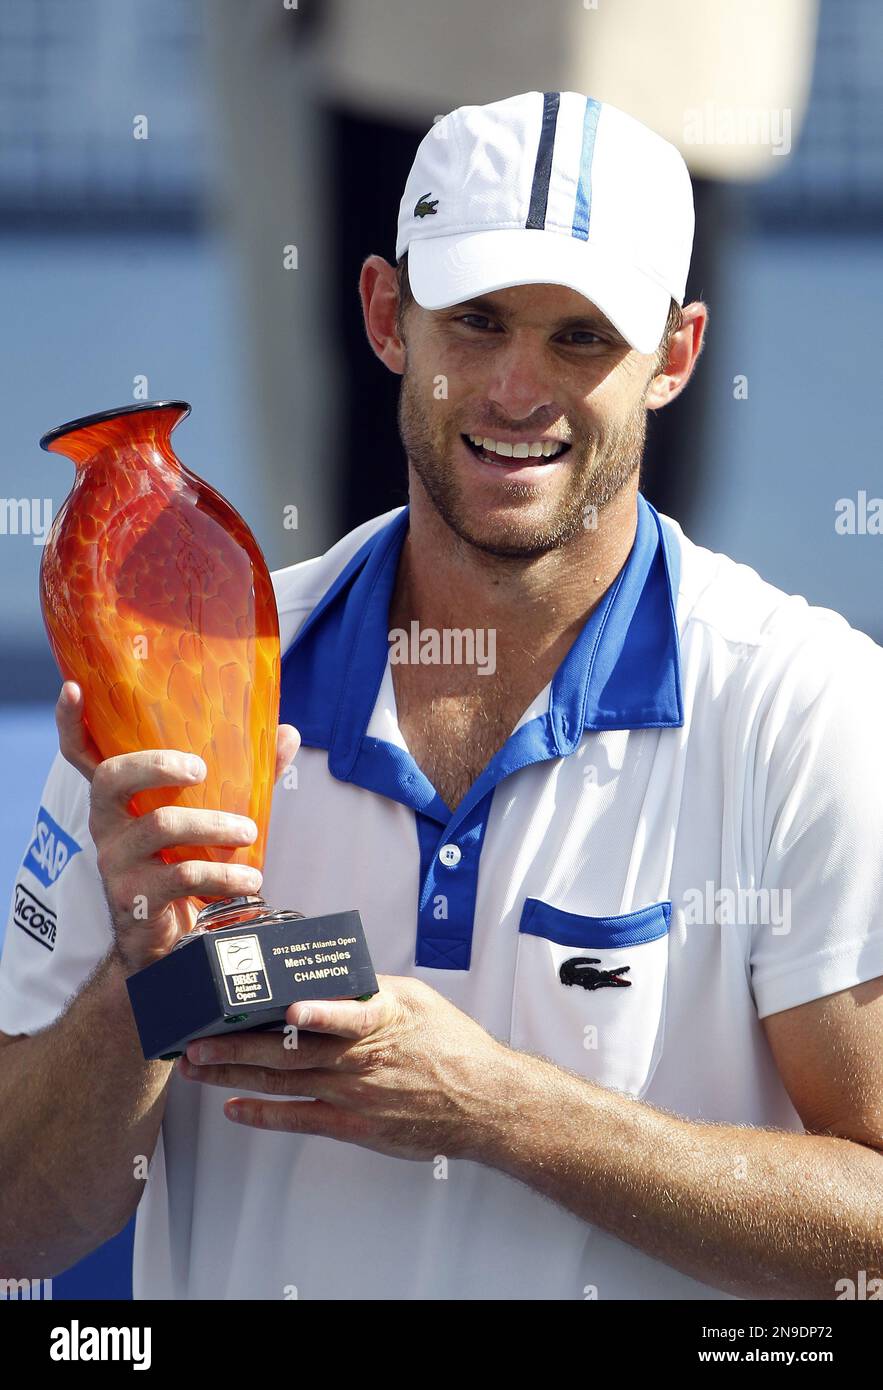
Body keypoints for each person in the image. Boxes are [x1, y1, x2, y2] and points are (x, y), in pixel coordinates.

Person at [1, 91, 881, 1301]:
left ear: (675, 358)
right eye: (474, 320)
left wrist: (497, 1109)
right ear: (383, 315)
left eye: (581, 337)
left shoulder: (811, 707)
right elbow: (14, 1224)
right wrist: (149, 977)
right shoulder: (164, 669)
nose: (516, 390)